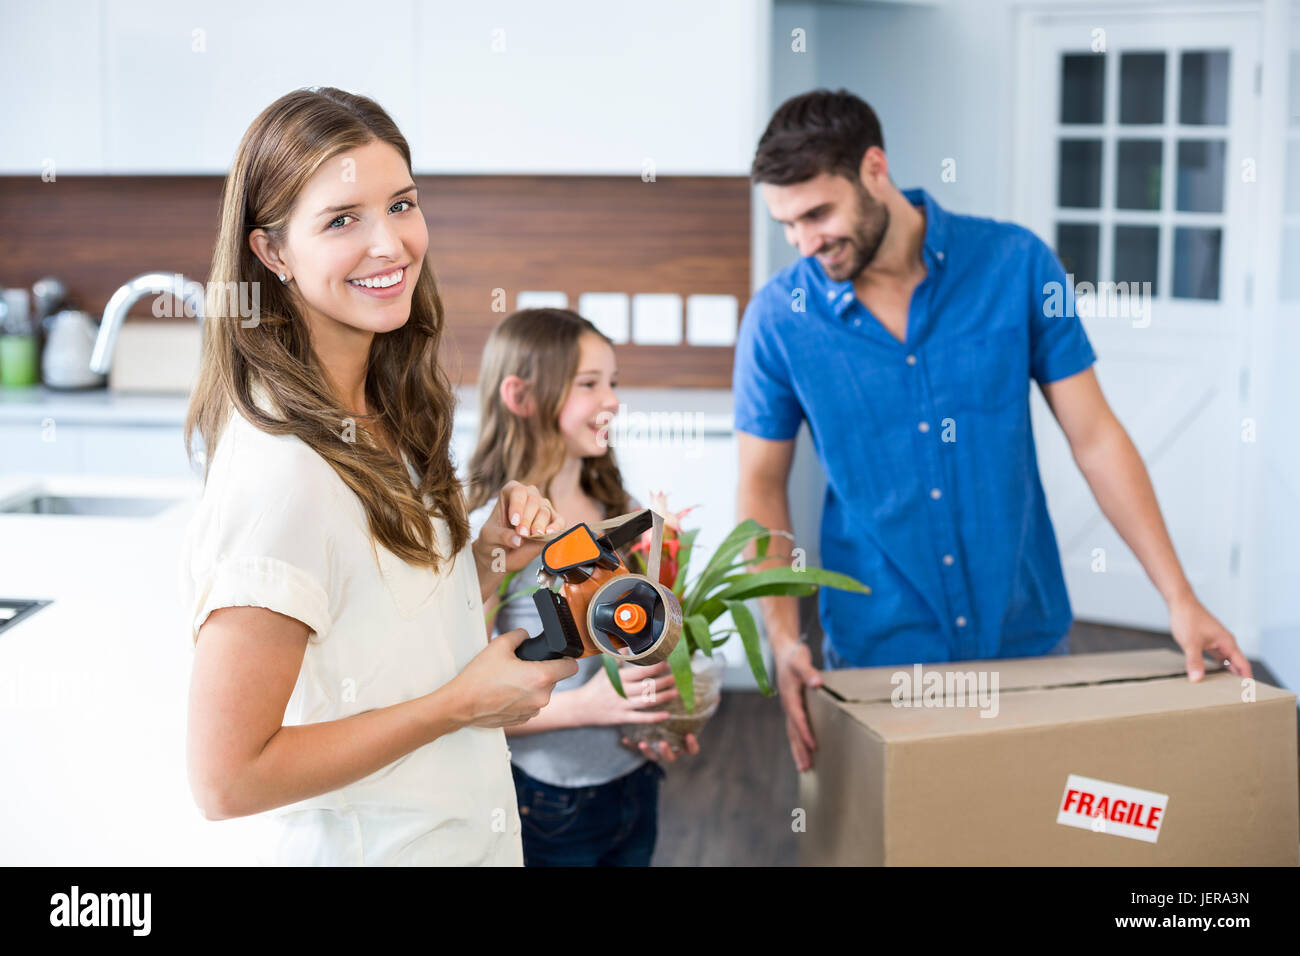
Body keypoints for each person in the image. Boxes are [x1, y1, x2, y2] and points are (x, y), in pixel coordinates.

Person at [733, 88, 1253, 772]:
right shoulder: (779, 319)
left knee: (1028, 824)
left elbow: (1095, 437)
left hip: (1023, 631)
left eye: (817, 214)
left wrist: (1179, 598)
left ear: (874, 169)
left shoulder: (1015, 265)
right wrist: (782, 635)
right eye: (788, 225)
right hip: (879, 648)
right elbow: (761, 486)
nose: (806, 242)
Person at [179, 87, 577, 865]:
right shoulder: (280, 473)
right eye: (341, 220)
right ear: (272, 253)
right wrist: (460, 706)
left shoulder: (385, 407)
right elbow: (225, 779)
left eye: (401, 204)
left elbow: (390, 639)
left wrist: (486, 560)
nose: (390, 244)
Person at [466, 308, 700, 866]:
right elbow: (470, 698)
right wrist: (595, 707)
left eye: (613, 383)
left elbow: (631, 647)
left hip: (632, 777)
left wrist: (661, 715)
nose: (613, 401)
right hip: (548, 798)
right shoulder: (491, 529)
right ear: (520, 396)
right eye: (590, 384)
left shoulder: (615, 511)